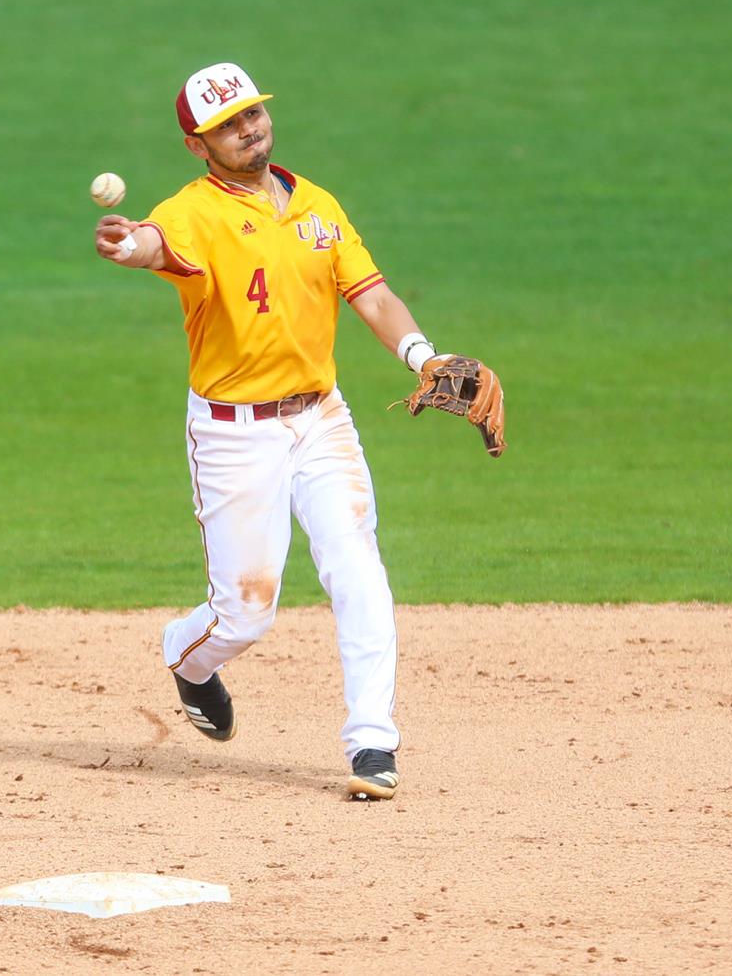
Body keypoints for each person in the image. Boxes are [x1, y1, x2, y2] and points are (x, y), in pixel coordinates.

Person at [94, 61, 469, 800]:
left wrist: (425, 357)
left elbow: (373, 294)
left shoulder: (316, 206)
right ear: (199, 146)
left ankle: (373, 744)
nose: (248, 129)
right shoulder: (194, 211)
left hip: (321, 419)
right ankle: (188, 657)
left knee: (357, 569)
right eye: (226, 126)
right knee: (245, 613)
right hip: (235, 437)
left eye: (252, 114)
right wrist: (126, 244)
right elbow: (154, 243)